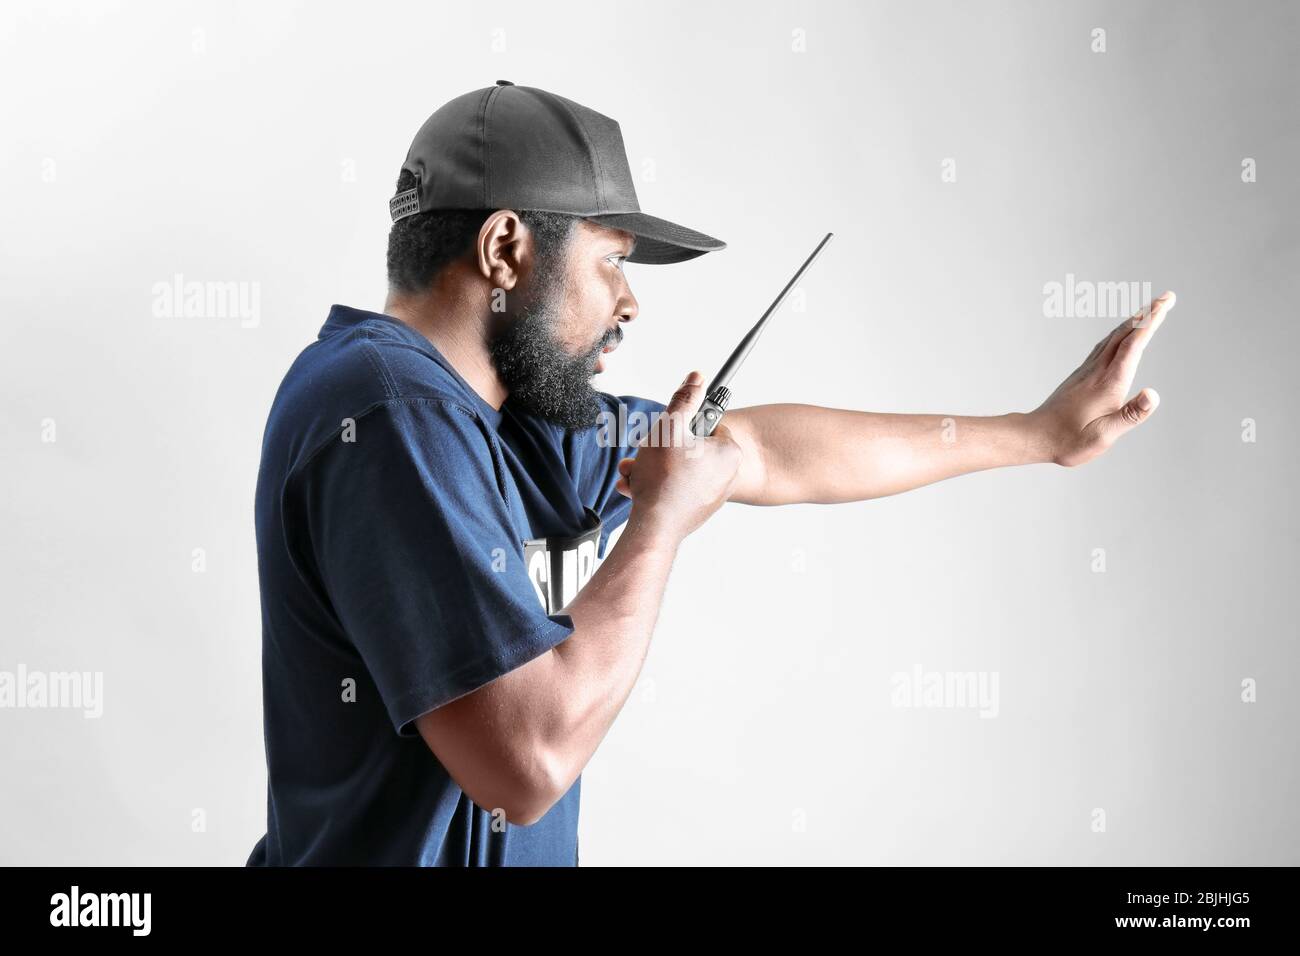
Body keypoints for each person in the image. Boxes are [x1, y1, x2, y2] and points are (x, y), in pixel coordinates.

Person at [246, 81, 1175, 866]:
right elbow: (525, 762)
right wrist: (657, 523)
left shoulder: (504, 421)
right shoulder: (389, 412)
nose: (631, 301)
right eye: (610, 260)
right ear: (504, 249)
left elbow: (755, 450)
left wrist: (1035, 433)